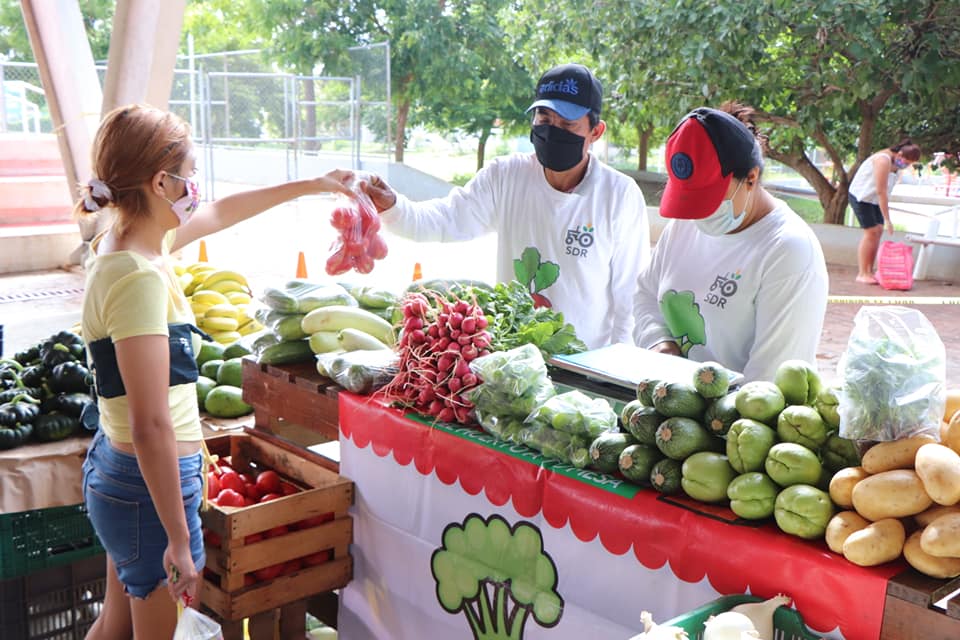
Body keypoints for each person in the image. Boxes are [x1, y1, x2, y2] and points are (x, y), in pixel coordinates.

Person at [75, 104, 352, 640]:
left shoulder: (130, 242)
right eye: (190, 174)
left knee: (113, 629)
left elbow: (223, 212)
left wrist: (314, 184)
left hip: (121, 472)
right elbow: (152, 422)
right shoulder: (138, 277)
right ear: (161, 182)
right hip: (147, 487)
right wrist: (179, 540)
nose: (197, 186)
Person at [358, 63, 650, 349]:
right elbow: (444, 220)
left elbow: (630, 297)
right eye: (544, 119)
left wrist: (614, 373)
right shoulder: (506, 176)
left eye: (567, 124)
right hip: (514, 356)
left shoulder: (619, 195)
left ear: (595, 132)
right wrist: (393, 206)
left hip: (588, 364)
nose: (552, 131)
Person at [633, 103, 828, 382]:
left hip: (739, 421)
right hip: (673, 409)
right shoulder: (684, 224)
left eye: (708, 201)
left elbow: (768, 382)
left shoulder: (788, 251)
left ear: (751, 178)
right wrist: (659, 341)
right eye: (689, 202)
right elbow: (646, 295)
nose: (697, 216)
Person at [847, 139, 921, 284]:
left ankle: (869, 270)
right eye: (906, 161)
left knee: (878, 231)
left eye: (910, 163)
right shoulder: (883, 160)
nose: (906, 165)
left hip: (873, 199)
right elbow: (881, 191)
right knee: (872, 231)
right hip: (862, 197)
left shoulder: (896, 161)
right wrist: (888, 219)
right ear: (899, 154)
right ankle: (863, 273)